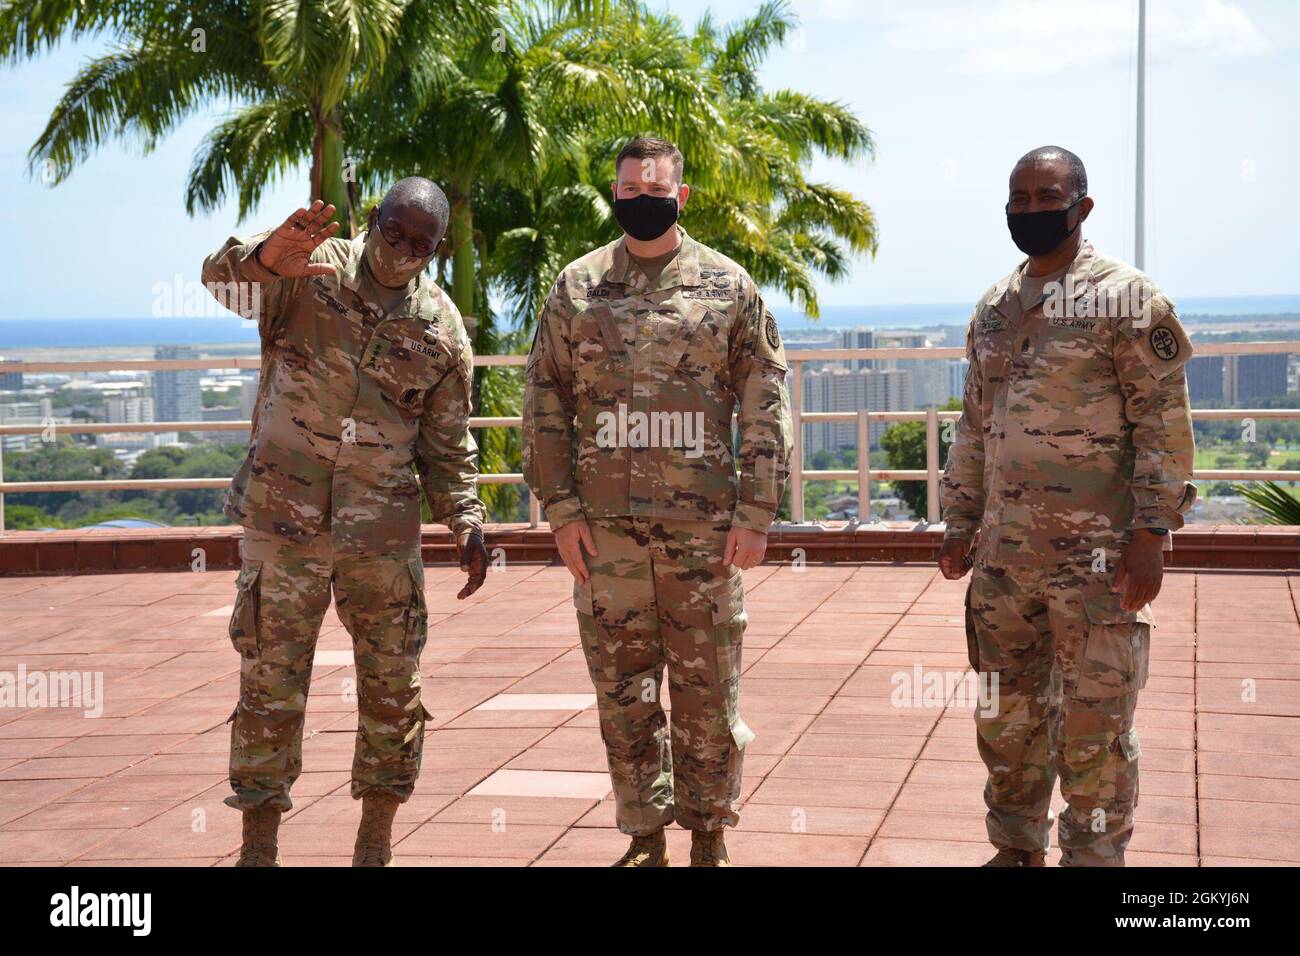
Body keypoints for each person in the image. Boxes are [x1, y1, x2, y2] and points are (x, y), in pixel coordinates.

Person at [202, 178, 489, 866]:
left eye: (422, 245)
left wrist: (467, 520)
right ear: (372, 221)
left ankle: (375, 843)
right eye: (395, 234)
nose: (404, 252)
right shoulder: (308, 270)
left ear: (438, 248)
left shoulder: (442, 329)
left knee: (393, 690)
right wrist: (266, 260)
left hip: (381, 535)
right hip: (285, 520)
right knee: (271, 684)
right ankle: (259, 847)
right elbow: (221, 283)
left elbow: (446, 445)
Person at [522, 136, 792, 866]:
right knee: (624, 692)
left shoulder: (728, 287)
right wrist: (562, 511)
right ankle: (644, 836)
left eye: (657, 188)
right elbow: (544, 396)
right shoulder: (576, 287)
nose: (644, 200)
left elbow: (765, 400)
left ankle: (709, 835)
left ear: (684, 194)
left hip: (704, 533)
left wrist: (758, 513)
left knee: (708, 694)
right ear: (614, 193)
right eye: (631, 190)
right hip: (604, 537)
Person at [938, 146, 1196, 866]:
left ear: (1081, 206)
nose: (1028, 211)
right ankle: (1016, 847)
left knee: (1095, 726)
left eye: (1045, 198)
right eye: (1017, 200)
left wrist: (1153, 534)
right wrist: (959, 522)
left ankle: (1095, 855)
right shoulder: (994, 307)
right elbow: (973, 426)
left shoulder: (1128, 299)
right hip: (1004, 564)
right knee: (1008, 718)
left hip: (1099, 565)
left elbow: (1163, 425)